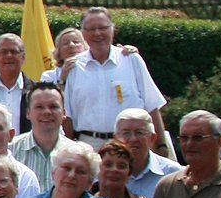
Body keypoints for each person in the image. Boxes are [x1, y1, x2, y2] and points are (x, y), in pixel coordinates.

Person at [63, 8, 166, 148]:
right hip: (88, 145)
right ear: (83, 33)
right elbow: (68, 116)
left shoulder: (131, 59)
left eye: (103, 27)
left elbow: (152, 105)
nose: (98, 33)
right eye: (91, 29)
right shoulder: (75, 67)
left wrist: (161, 146)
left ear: (113, 29)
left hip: (129, 143)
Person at [8, 82, 67, 193]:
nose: (47, 112)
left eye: (53, 106)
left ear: (64, 113)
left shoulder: (77, 154)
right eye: (39, 107)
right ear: (28, 113)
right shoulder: (10, 151)